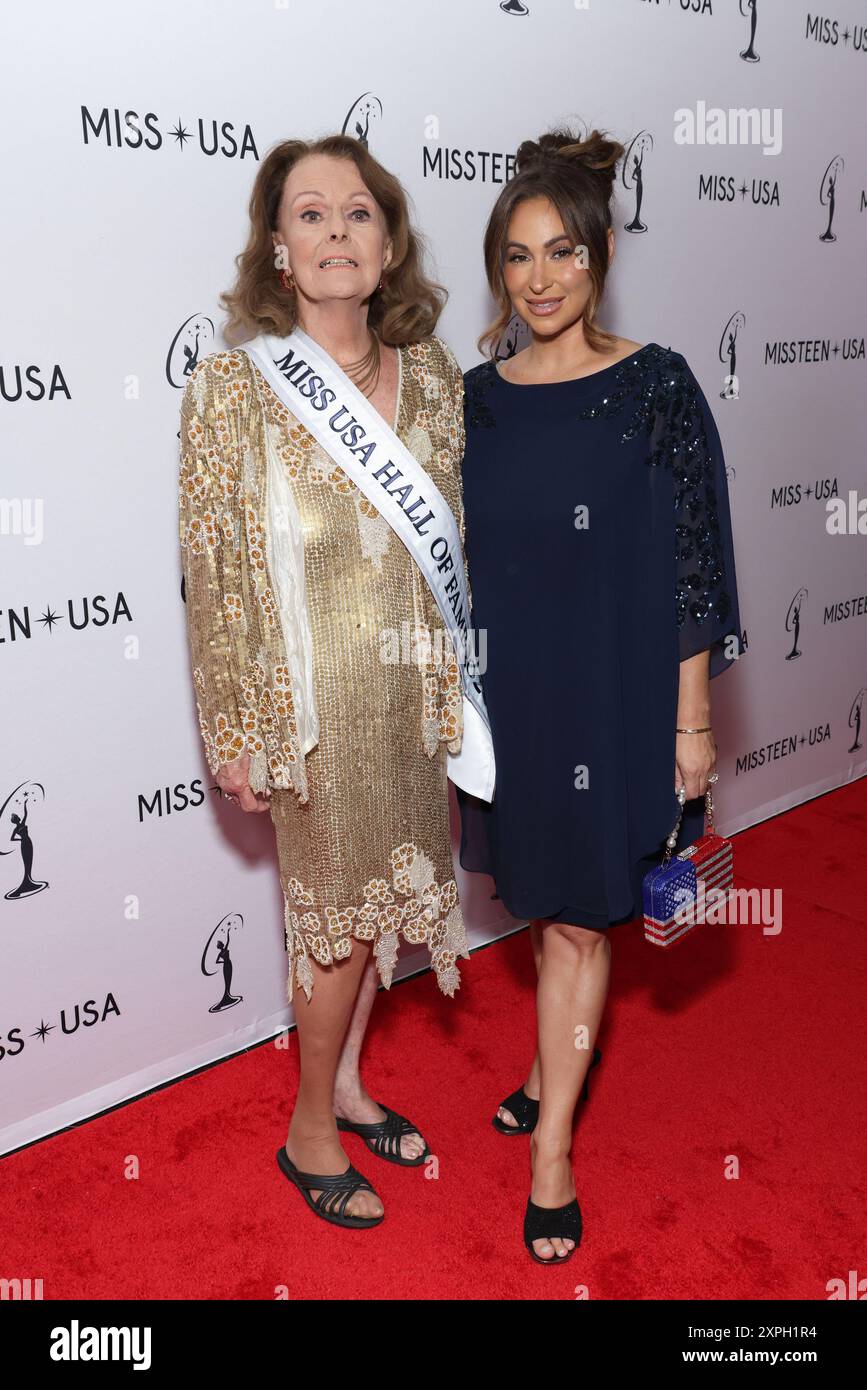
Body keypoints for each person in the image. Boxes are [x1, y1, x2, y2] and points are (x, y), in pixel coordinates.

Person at [178, 134, 476, 1230]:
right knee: (335, 924)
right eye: (311, 214)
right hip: (306, 712)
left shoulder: (437, 376)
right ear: (277, 244)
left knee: (388, 904)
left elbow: (466, 538)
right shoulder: (231, 391)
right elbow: (215, 572)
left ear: (388, 244)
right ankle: (308, 1130)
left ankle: (347, 1088)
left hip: (412, 699)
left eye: (358, 213)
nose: (335, 233)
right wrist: (237, 724)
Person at [457, 127, 743, 1263]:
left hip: (617, 699)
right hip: (516, 702)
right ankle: (544, 1066)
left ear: (603, 253)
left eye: (562, 251)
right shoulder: (473, 401)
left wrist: (691, 719)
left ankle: (553, 1152)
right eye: (518, 256)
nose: (540, 278)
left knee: (582, 920)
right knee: (545, 906)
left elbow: (693, 561)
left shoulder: (657, 384)